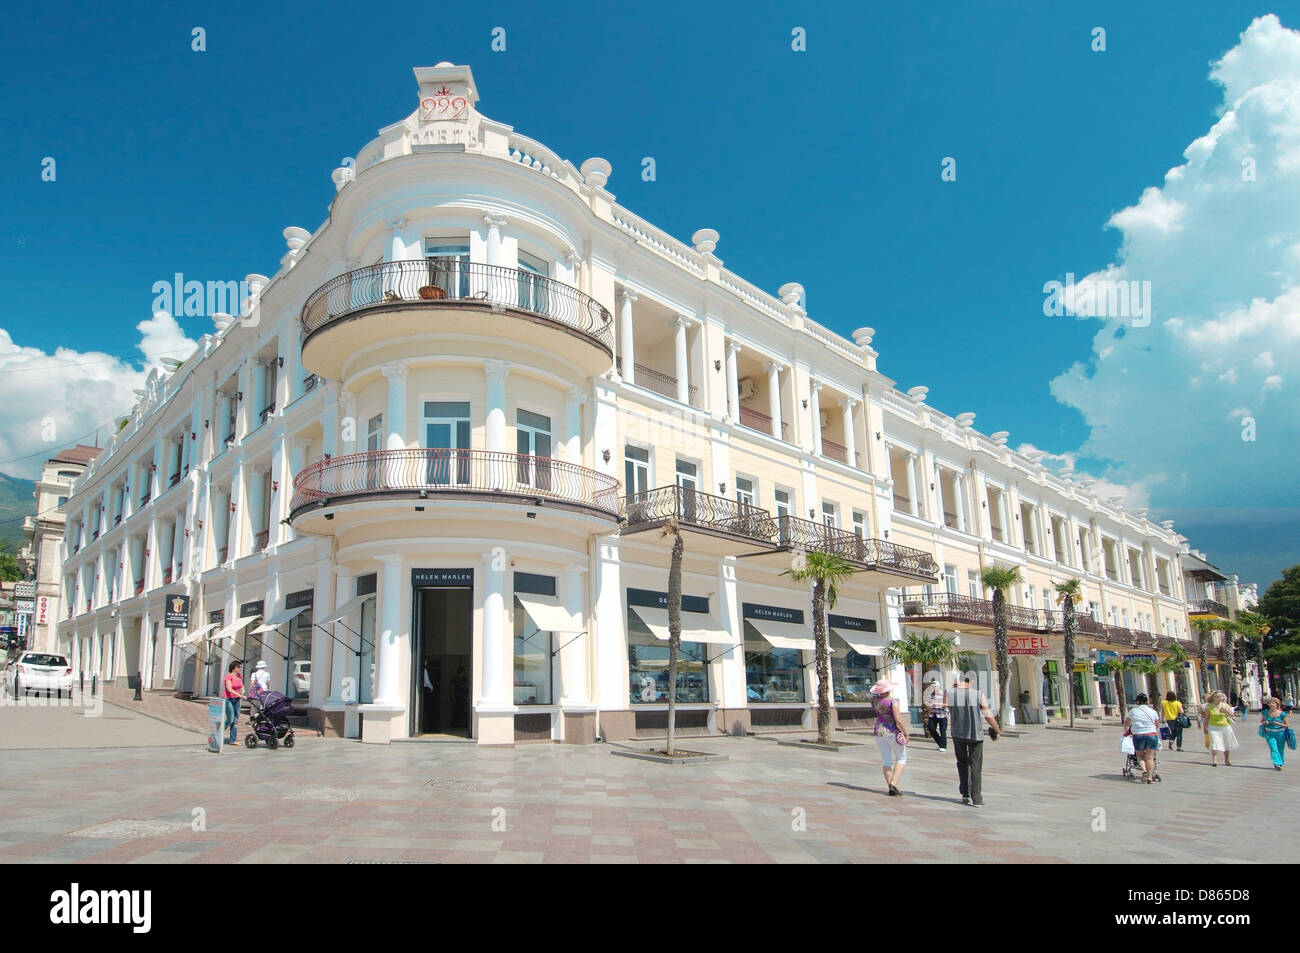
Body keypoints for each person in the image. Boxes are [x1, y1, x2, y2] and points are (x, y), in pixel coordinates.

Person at [949, 676, 999, 806]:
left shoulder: (949, 694)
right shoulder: (977, 694)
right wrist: (996, 729)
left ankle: (965, 793)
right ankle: (976, 798)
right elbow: (987, 715)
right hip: (974, 734)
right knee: (975, 765)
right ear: (970, 682)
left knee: (962, 762)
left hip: (957, 734)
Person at [871, 680, 908, 797]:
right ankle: (894, 784)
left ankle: (890, 786)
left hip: (879, 731)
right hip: (892, 731)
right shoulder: (893, 701)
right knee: (901, 758)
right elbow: (898, 719)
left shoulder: (874, 701)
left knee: (886, 759)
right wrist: (906, 733)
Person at [1124, 693, 1162, 783]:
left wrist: (1126, 731)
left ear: (1137, 702)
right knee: (1150, 758)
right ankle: (1150, 777)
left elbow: (1126, 723)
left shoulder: (1133, 711)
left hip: (1138, 736)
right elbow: (1157, 725)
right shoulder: (1153, 712)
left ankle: (1144, 771)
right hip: (1151, 735)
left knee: (1140, 756)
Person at [1201, 690, 1238, 767]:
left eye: (1221, 696)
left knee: (1226, 743)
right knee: (1214, 742)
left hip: (1225, 726)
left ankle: (1226, 759)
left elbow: (1232, 715)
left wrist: (1226, 711)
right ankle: (1215, 759)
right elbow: (1206, 718)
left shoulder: (1225, 705)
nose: (1220, 698)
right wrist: (1205, 727)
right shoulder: (1209, 706)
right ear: (1213, 698)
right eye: (1218, 697)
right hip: (1213, 727)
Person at [1260, 695, 1290, 771]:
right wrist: (1264, 722)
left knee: (1280, 749)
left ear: (1277, 704)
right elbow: (1262, 721)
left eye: (1273, 703)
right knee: (1273, 748)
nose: (1271, 704)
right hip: (1269, 733)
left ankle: (1280, 763)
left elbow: (1287, 725)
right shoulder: (1265, 712)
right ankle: (1277, 763)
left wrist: (1279, 724)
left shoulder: (1282, 714)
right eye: (1270, 703)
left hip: (1280, 733)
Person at [221, 661, 245, 746]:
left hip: (237, 699)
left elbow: (241, 686)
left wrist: (243, 691)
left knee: (235, 720)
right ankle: (218, 732)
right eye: (239, 667)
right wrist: (240, 695)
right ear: (234, 667)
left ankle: (233, 740)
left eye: (241, 667)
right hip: (228, 699)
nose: (240, 669)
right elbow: (229, 689)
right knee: (230, 719)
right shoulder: (228, 676)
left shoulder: (238, 676)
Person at [923, 677, 948, 751]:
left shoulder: (943, 694)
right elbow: (927, 702)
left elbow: (946, 704)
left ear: (938, 687)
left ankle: (943, 746)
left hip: (942, 715)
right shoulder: (931, 695)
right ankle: (940, 742)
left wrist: (936, 703)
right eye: (932, 687)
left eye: (934, 687)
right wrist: (929, 704)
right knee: (931, 729)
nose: (933, 688)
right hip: (933, 714)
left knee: (942, 731)